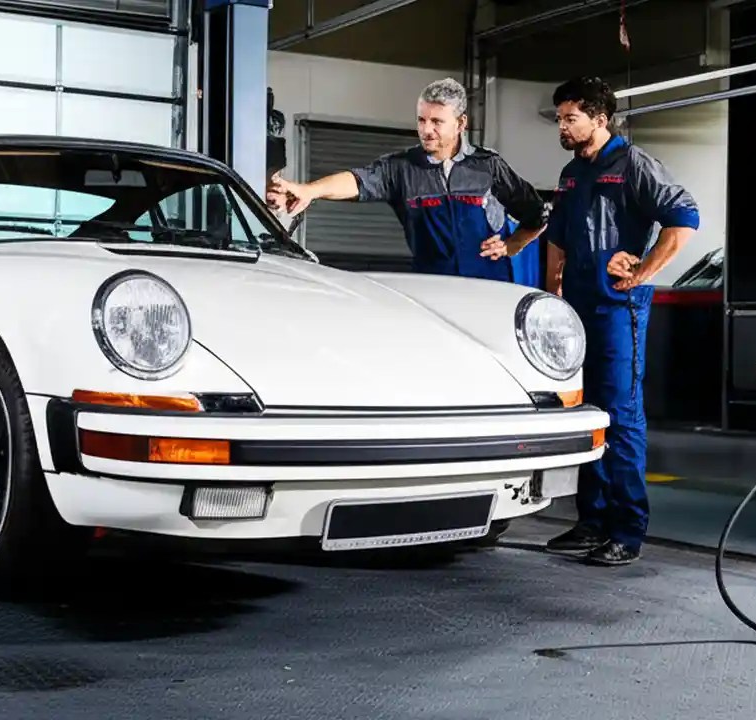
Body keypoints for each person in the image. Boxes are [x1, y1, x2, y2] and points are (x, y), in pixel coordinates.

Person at [541, 76, 699, 566]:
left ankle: (627, 531)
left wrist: (642, 271)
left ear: (600, 119)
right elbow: (558, 237)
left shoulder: (634, 164)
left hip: (617, 309)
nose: (562, 126)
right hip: (578, 308)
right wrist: (551, 292)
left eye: (571, 118)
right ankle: (591, 521)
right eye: (560, 118)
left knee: (621, 415)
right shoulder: (572, 172)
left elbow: (685, 218)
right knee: (588, 412)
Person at [268, 78, 546, 281]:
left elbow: (537, 215)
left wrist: (512, 245)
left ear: (461, 124)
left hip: (489, 288)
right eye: (421, 120)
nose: (426, 130)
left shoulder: (488, 166)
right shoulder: (402, 168)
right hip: (431, 289)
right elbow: (357, 181)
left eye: (436, 122)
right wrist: (310, 190)